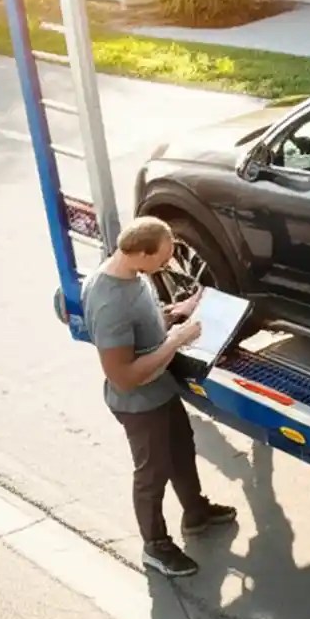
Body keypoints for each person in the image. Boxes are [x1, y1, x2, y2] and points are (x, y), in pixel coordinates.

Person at [80, 216, 237, 578]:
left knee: (182, 448)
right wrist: (177, 340)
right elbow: (123, 375)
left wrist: (177, 312)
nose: (166, 265)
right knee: (152, 474)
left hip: (161, 389)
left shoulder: (131, 275)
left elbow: (146, 323)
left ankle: (195, 512)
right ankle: (156, 546)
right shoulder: (110, 304)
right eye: (162, 259)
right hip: (139, 403)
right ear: (139, 253)